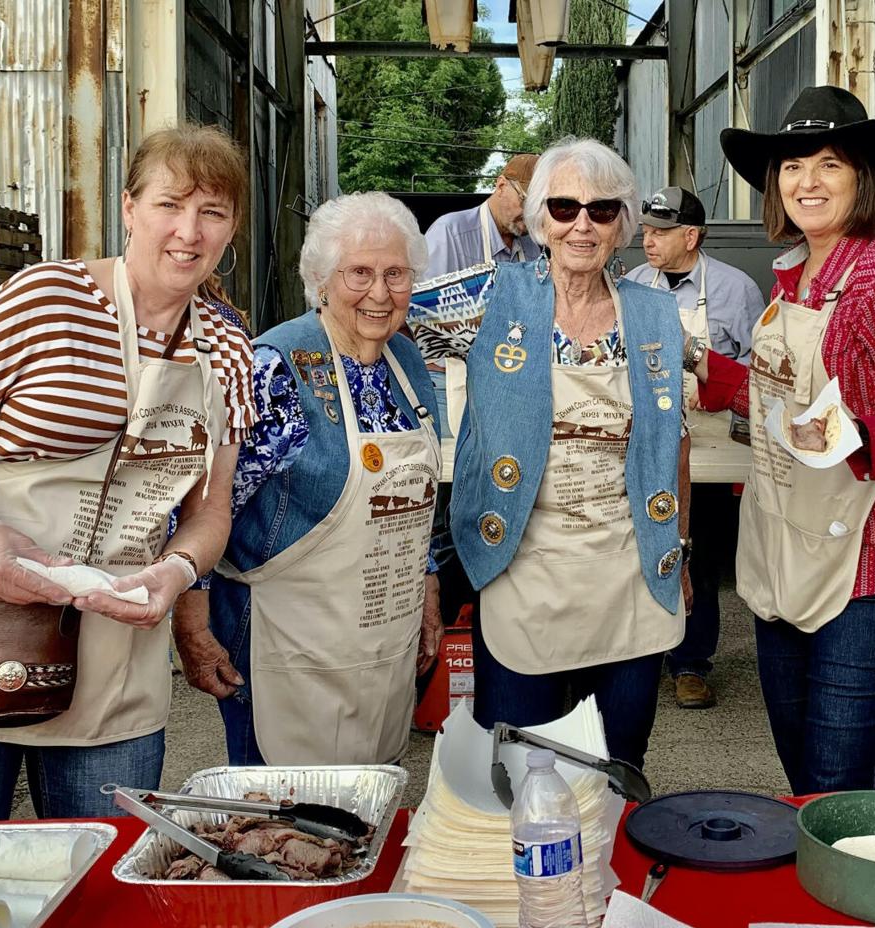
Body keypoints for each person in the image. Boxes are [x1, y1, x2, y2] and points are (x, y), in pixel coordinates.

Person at [0, 124, 253, 820]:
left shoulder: (227, 347)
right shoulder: (45, 302)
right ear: (130, 208)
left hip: (119, 653)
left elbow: (210, 512)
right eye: (170, 205)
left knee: (102, 884)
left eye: (212, 212)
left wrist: (176, 572)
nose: (188, 232)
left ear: (232, 230)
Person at [691, 85, 875, 793]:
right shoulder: (794, 278)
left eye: (829, 164)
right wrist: (707, 370)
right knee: (805, 784)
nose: (807, 181)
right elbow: (784, 401)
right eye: (792, 165)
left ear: (862, 179)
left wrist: (844, 433)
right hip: (789, 554)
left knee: (837, 788)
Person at [172, 192, 442, 767]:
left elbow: (419, 499)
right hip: (286, 636)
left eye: (396, 274)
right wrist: (191, 623)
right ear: (321, 280)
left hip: (380, 629)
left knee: (368, 796)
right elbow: (201, 506)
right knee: (280, 821)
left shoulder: (409, 365)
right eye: (359, 273)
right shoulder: (277, 367)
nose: (379, 292)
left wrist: (428, 590)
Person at [450, 137, 688, 769]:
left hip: (628, 572)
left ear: (623, 224)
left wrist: (680, 547)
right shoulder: (489, 299)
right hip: (524, 571)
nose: (582, 223)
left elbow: (673, 443)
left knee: (619, 761)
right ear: (539, 219)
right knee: (522, 768)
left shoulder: (657, 314)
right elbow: (382, 314)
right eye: (563, 207)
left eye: (602, 210)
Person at [625, 186, 765, 709]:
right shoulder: (634, 286)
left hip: (709, 446)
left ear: (692, 235)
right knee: (642, 544)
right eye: (646, 231)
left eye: (660, 232)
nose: (649, 241)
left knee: (698, 552)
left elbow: (763, 371)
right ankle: (643, 652)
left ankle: (690, 663)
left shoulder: (736, 289)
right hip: (648, 443)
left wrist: (713, 381)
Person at [422, 154, 540, 438]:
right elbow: (424, 322)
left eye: (539, 207)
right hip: (449, 383)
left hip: (510, 383)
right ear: (500, 185)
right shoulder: (449, 233)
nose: (531, 214)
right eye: (526, 202)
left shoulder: (533, 244)